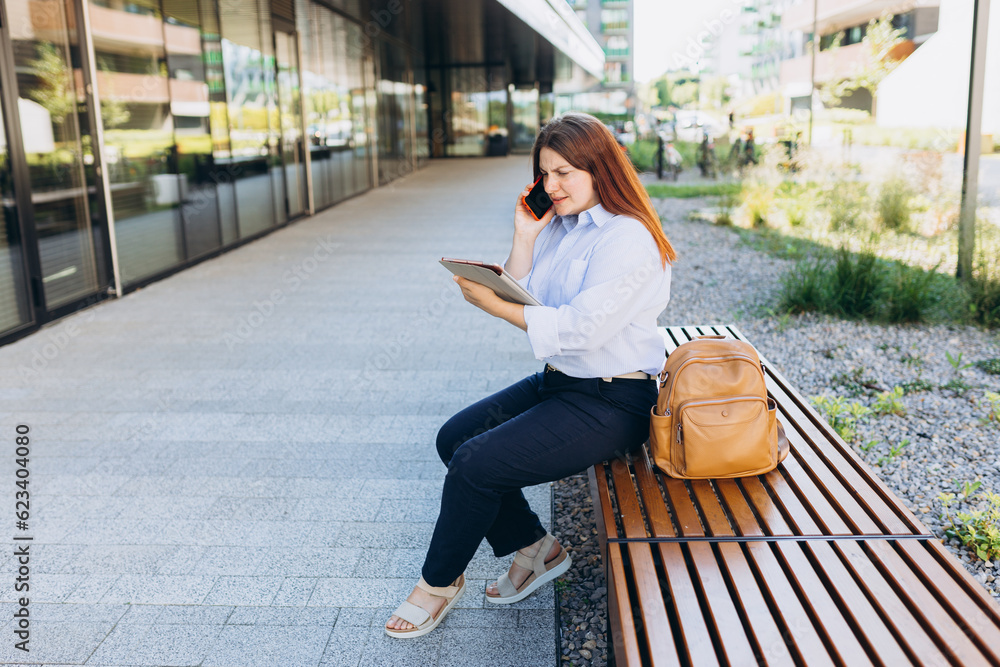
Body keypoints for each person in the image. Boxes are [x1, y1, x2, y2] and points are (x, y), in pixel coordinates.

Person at [384, 112, 676, 638]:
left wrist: (496, 309)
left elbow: (582, 329)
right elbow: (522, 288)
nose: (551, 186)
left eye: (565, 172)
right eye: (544, 173)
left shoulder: (626, 237)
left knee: (475, 464)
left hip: (613, 401)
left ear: (600, 168)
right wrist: (524, 233)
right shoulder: (563, 226)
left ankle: (437, 584)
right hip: (564, 382)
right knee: (456, 437)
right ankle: (538, 548)